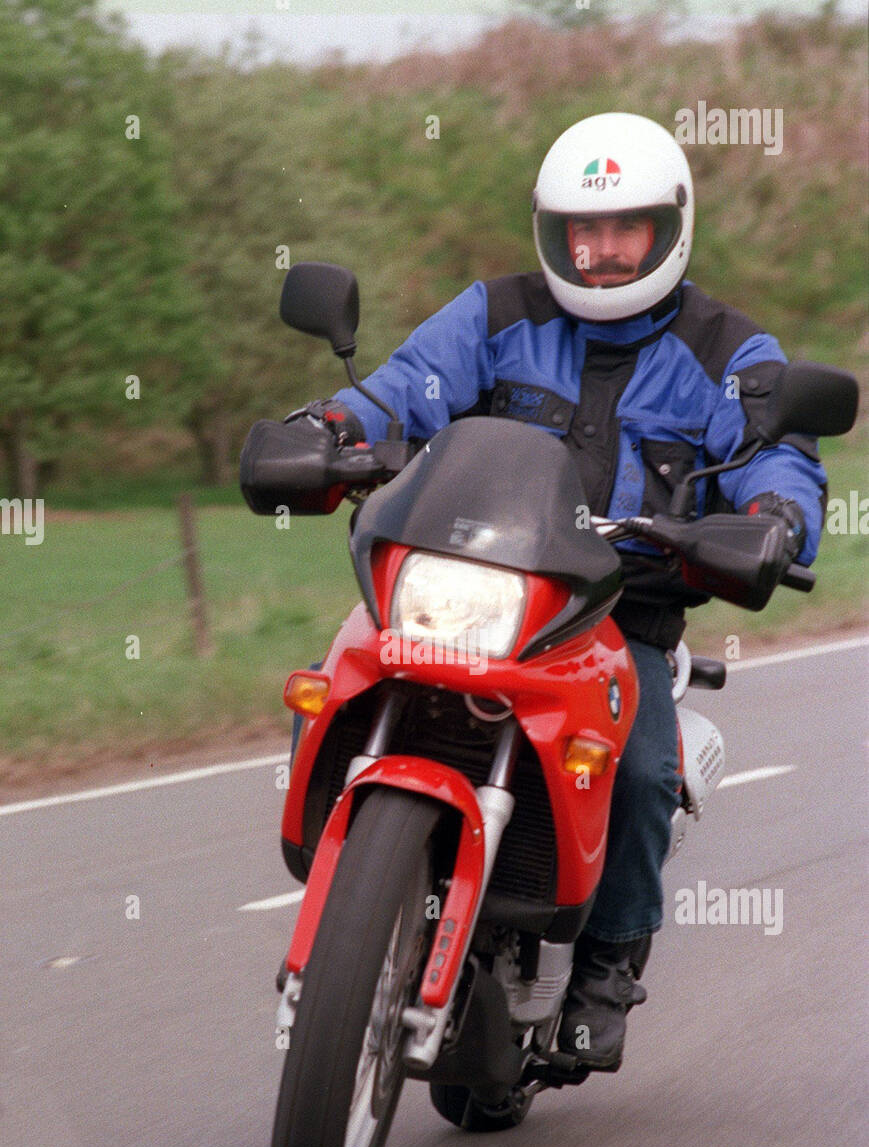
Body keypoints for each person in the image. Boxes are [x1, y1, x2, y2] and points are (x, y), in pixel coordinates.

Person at [285, 112, 826, 1071]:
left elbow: (776, 455)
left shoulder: (727, 351)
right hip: (474, 583)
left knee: (640, 767)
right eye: (583, 231)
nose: (602, 251)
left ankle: (608, 963)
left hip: (614, 617)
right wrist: (329, 428)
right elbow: (407, 386)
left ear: (668, 232)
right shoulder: (494, 314)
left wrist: (774, 521)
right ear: (553, 233)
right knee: (343, 667)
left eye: (625, 231)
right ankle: (345, 888)